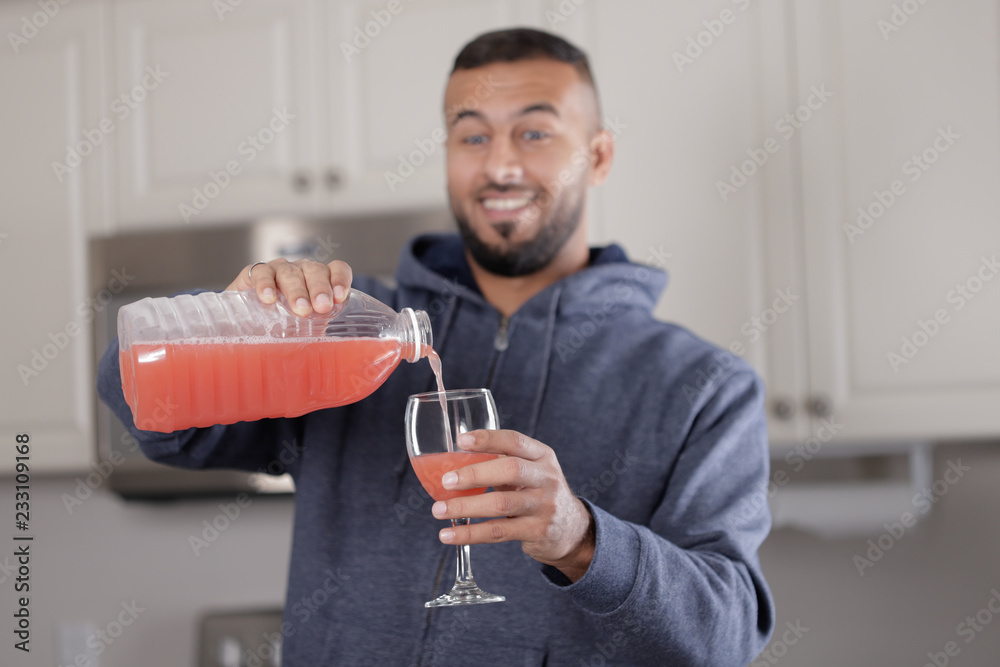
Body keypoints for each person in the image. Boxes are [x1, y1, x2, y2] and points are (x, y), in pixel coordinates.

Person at [98, 27, 774, 666]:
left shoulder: (704, 385)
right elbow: (157, 426)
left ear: (597, 155)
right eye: (471, 136)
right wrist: (236, 324)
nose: (500, 165)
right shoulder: (340, 325)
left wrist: (582, 538)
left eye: (534, 132)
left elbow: (727, 633)